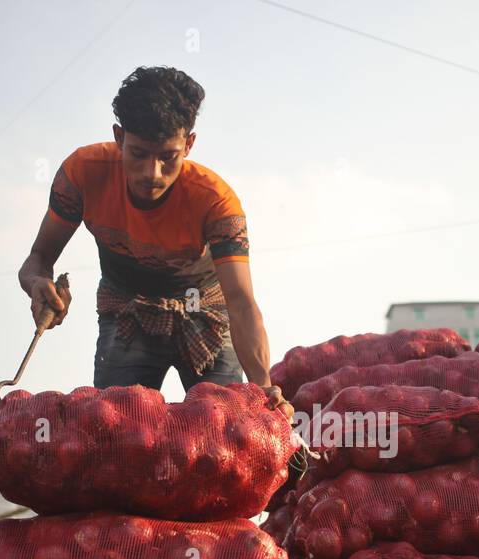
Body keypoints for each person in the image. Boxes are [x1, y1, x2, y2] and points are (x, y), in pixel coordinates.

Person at [18, 65, 289, 417]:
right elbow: (38, 257)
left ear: (189, 144)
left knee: (227, 432)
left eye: (168, 157)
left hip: (204, 315)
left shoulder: (216, 201)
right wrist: (38, 284)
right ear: (119, 138)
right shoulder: (82, 173)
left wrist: (263, 388)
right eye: (139, 154)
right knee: (114, 434)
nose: (152, 174)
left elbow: (241, 302)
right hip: (126, 310)